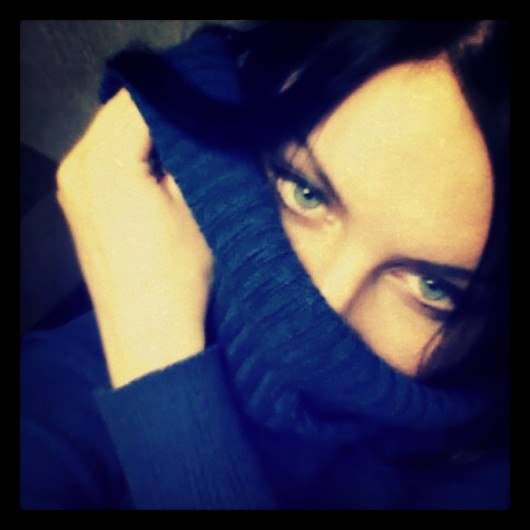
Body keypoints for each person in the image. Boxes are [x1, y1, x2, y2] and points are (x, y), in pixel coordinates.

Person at [21, 20, 510, 509]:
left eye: (433, 286)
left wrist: (158, 367)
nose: (316, 315)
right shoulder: (88, 359)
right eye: (306, 192)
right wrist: (150, 326)